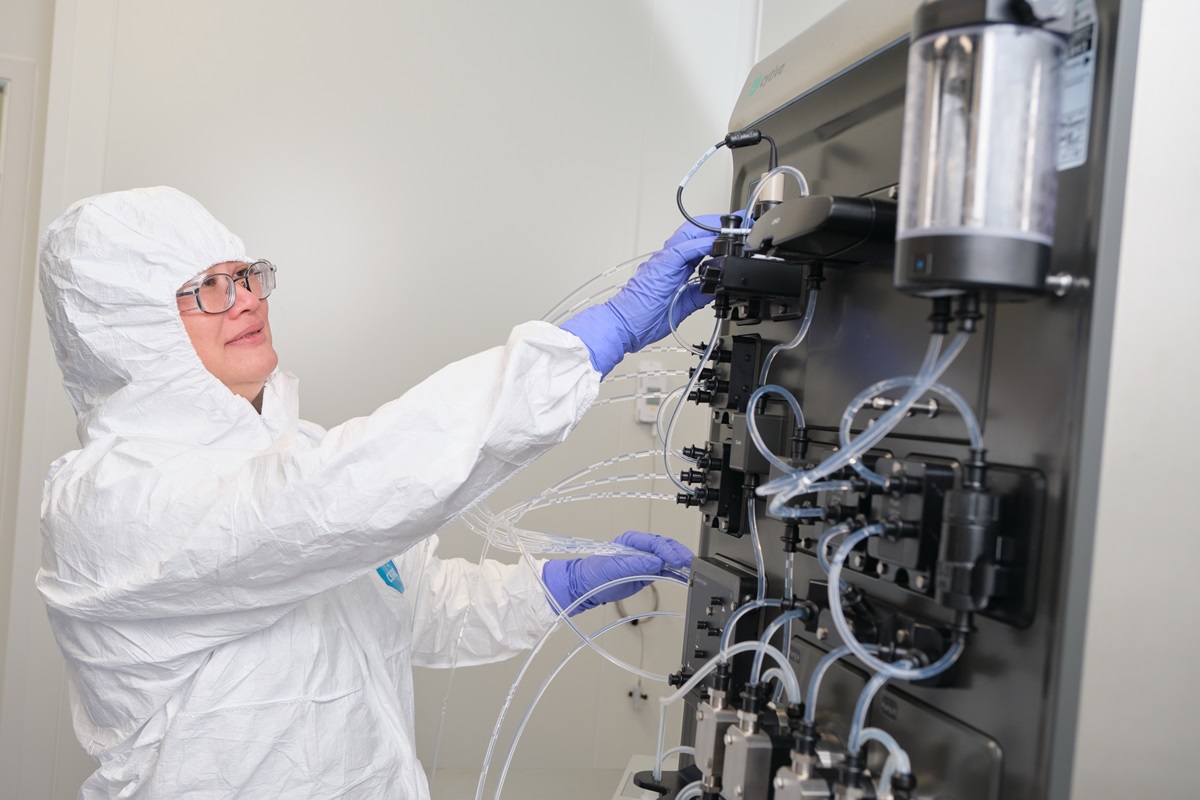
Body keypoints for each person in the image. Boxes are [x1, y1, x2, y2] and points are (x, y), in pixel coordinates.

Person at [36, 186, 721, 798]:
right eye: (206, 287)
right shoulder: (110, 503)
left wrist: (553, 589)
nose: (244, 297)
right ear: (131, 335)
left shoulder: (294, 453)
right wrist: (597, 339)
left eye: (243, 275)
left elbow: (417, 608)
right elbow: (331, 501)